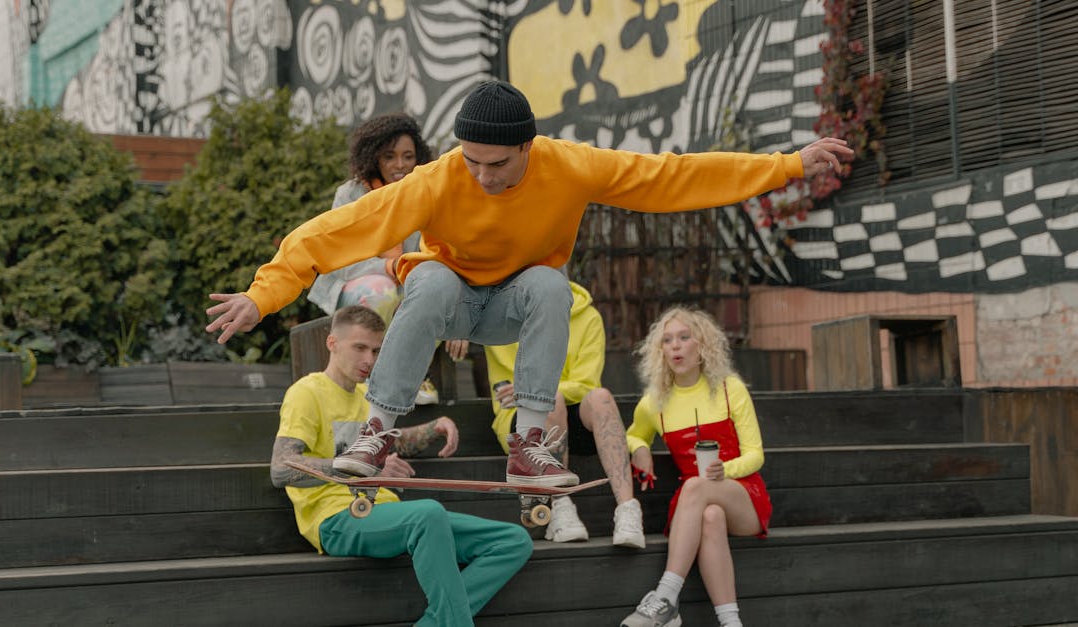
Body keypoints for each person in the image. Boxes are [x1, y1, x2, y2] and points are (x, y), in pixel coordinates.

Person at [207, 79, 853, 489]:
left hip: (514, 306)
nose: (482, 177)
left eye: (497, 165)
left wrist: (787, 165)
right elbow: (338, 229)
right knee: (426, 281)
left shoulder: (569, 166)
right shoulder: (437, 178)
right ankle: (376, 430)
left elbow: (670, 177)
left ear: (528, 148)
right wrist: (263, 292)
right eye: (471, 162)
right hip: (451, 301)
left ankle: (530, 443)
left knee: (550, 284)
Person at [270, 305, 533, 627]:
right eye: (360, 348)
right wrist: (362, 468)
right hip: (336, 520)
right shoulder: (307, 393)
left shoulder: (369, 396)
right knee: (428, 513)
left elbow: (391, 441)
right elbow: (281, 468)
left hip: (386, 514)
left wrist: (433, 428)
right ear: (332, 343)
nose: (369, 359)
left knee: (512, 541)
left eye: (377, 350)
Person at [619, 305, 773, 627]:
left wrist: (724, 471)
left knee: (697, 488)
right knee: (710, 516)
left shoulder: (732, 389)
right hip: (696, 503)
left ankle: (665, 597)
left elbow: (756, 454)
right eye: (667, 340)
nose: (675, 345)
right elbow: (633, 434)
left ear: (702, 345)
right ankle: (731, 622)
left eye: (684, 337)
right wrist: (641, 448)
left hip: (743, 493)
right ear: (660, 351)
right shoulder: (654, 403)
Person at [485, 279, 644, 548]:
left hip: (570, 414)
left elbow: (586, 383)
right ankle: (559, 505)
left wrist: (533, 388)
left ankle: (628, 509)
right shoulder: (498, 311)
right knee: (551, 399)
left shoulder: (588, 316)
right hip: (520, 423)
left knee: (601, 398)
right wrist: (456, 334)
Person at [307, 112, 432, 325]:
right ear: (374, 157)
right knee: (381, 293)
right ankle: (374, 357)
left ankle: (394, 357)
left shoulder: (425, 194)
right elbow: (340, 262)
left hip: (406, 288)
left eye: (408, 156)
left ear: (418, 159)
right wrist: (389, 267)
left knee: (428, 301)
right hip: (356, 286)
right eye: (389, 156)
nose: (400, 164)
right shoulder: (349, 195)